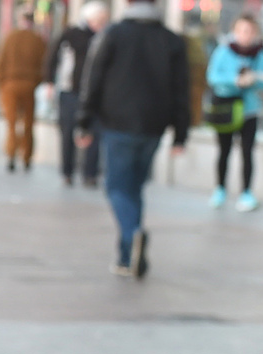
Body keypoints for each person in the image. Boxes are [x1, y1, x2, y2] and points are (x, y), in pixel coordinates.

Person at [79, 0, 188, 277]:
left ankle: (132, 234)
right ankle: (127, 256)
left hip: (118, 123)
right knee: (134, 188)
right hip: (154, 126)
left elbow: (93, 79)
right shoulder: (171, 40)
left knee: (117, 187)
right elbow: (181, 89)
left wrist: (84, 121)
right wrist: (181, 133)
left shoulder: (113, 34)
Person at [204, 14, 263, 211]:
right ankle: (220, 189)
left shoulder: (260, 54)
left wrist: (254, 79)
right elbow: (213, 77)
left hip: (249, 110)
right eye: (242, 30)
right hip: (227, 109)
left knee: (247, 152)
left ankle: (246, 192)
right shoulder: (224, 52)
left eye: (250, 31)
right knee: (224, 150)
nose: (246, 35)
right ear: (235, 31)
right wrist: (235, 81)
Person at [45, 0, 106, 185]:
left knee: (94, 132)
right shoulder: (71, 34)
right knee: (68, 132)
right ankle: (67, 171)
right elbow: (52, 57)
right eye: (99, 20)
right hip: (70, 91)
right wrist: (49, 82)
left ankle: (90, 173)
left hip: (94, 94)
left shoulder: (104, 37)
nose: (101, 24)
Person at [0, 7, 47, 172]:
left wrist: (0, 83)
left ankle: (11, 154)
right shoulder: (37, 40)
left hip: (10, 84)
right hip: (29, 85)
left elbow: (0, 62)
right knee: (28, 123)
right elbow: (43, 65)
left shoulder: (10, 37)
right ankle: (26, 156)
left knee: (11, 123)